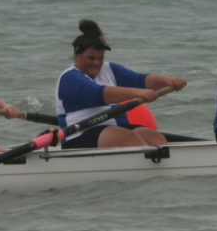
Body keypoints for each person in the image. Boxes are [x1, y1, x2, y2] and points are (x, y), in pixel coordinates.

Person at [55, 19, 187, 148]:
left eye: (100, 58)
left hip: (115, 129)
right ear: (77, 56)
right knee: (127, 137)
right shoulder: (70, 77)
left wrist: (167, 81)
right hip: (79, 134)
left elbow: (140, 80)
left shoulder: (109, 69)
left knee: (153, 136)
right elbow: (98, 94)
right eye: (91, 58)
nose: (96, 63)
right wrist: (138, 93)